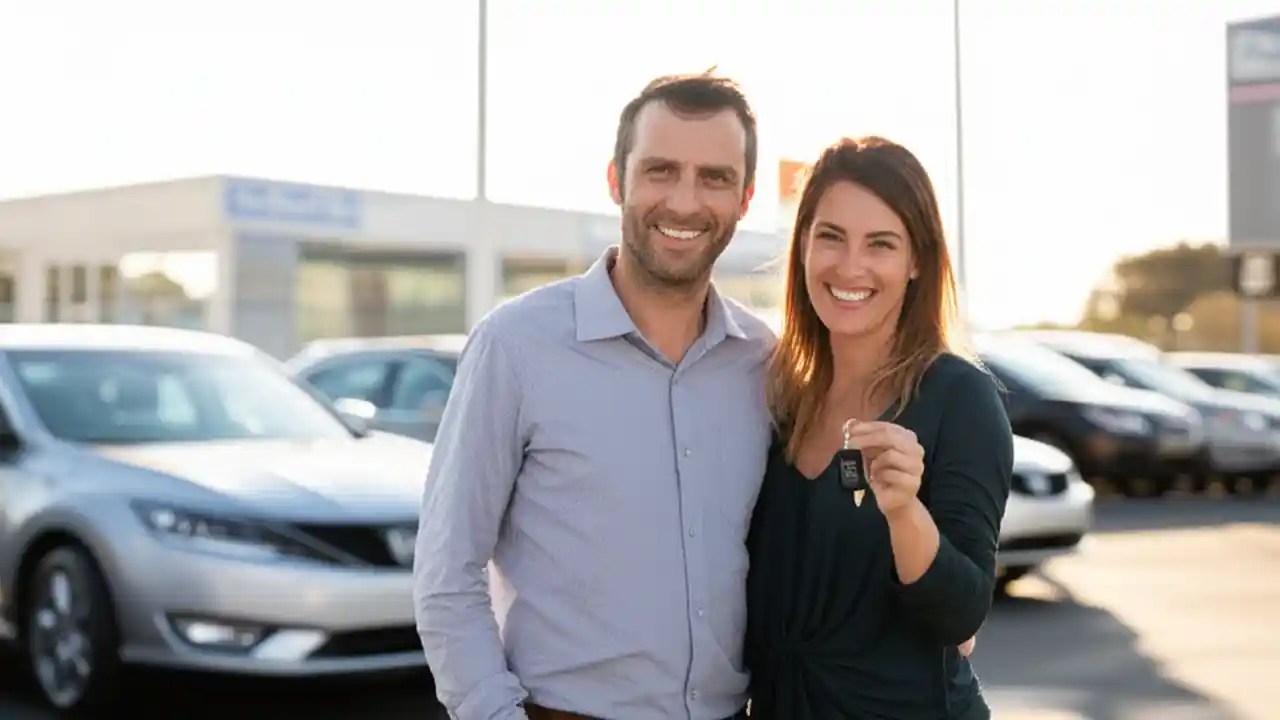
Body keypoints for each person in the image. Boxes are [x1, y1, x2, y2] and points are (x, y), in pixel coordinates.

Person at [413, 71, 776, 720]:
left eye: (715, 178)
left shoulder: (765, 363)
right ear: (617, 180)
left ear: (745, 197)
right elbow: (446, 575)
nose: (686, 202)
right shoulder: (516, 347)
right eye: (660, 170)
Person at [744, 136, 1013, 719]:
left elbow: (961, 615)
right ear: (803, 247)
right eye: (831, 237)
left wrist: (904, 512)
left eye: (881, 244)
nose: (850, 266)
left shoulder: (959, 398)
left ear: (917, 261)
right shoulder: (778, 393)